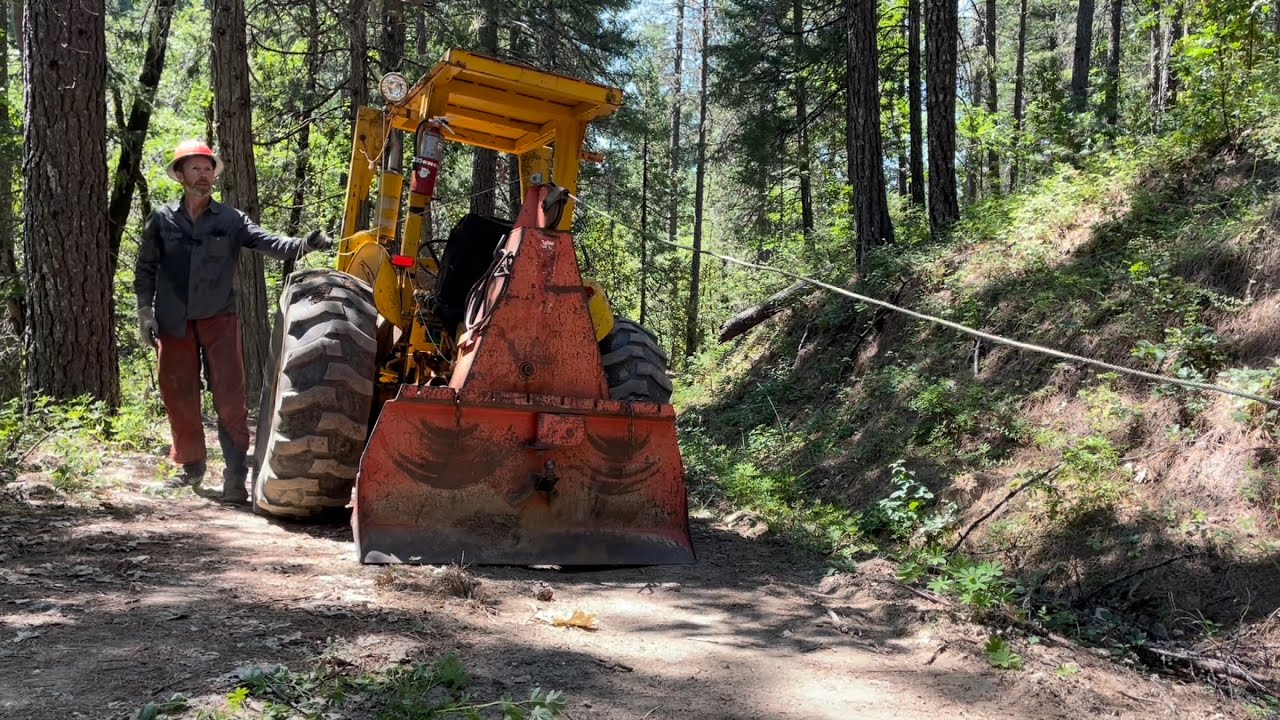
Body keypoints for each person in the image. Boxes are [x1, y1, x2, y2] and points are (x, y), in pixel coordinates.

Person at [134, 140, 333, 503]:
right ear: (180, 175)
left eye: (208, 169)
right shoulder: (162, 219)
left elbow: (269, 242)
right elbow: (145, 268)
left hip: (219, 320)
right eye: (195, 168)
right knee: (179, 397)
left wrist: (304, 244)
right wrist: (145, 311)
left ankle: (235, 477)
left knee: (230, 399)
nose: (203, 175)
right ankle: (190, 468)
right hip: (173, 322)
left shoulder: (231, 219)